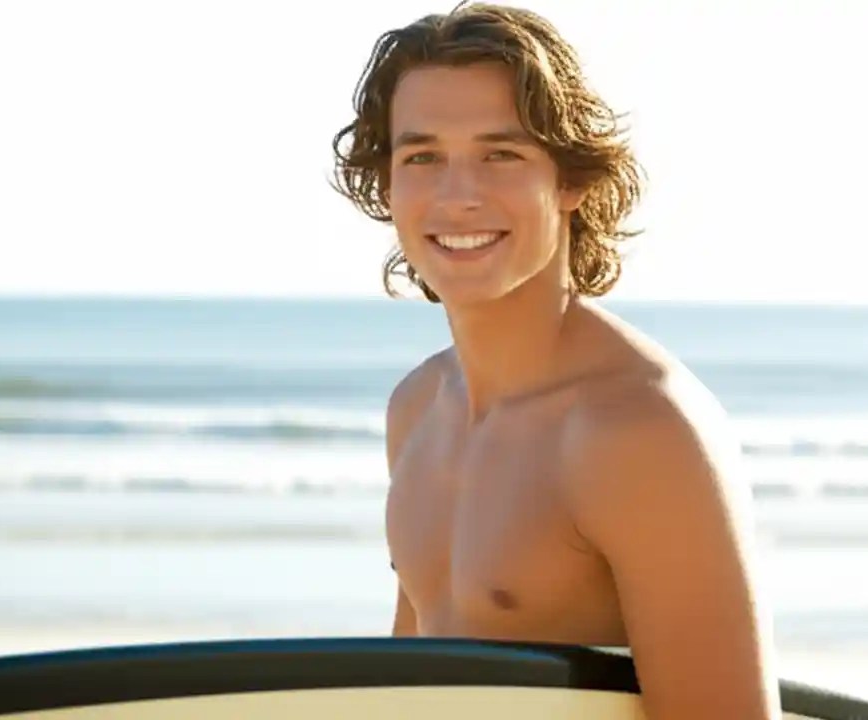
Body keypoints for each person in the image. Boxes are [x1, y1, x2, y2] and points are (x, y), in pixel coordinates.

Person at [331, 3, 780, 718]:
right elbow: (414, 691)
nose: (458, 195)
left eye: (499, 154)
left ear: (570, 179)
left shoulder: (638, 431)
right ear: (388, 186)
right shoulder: (418, 409)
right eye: (422, 157)